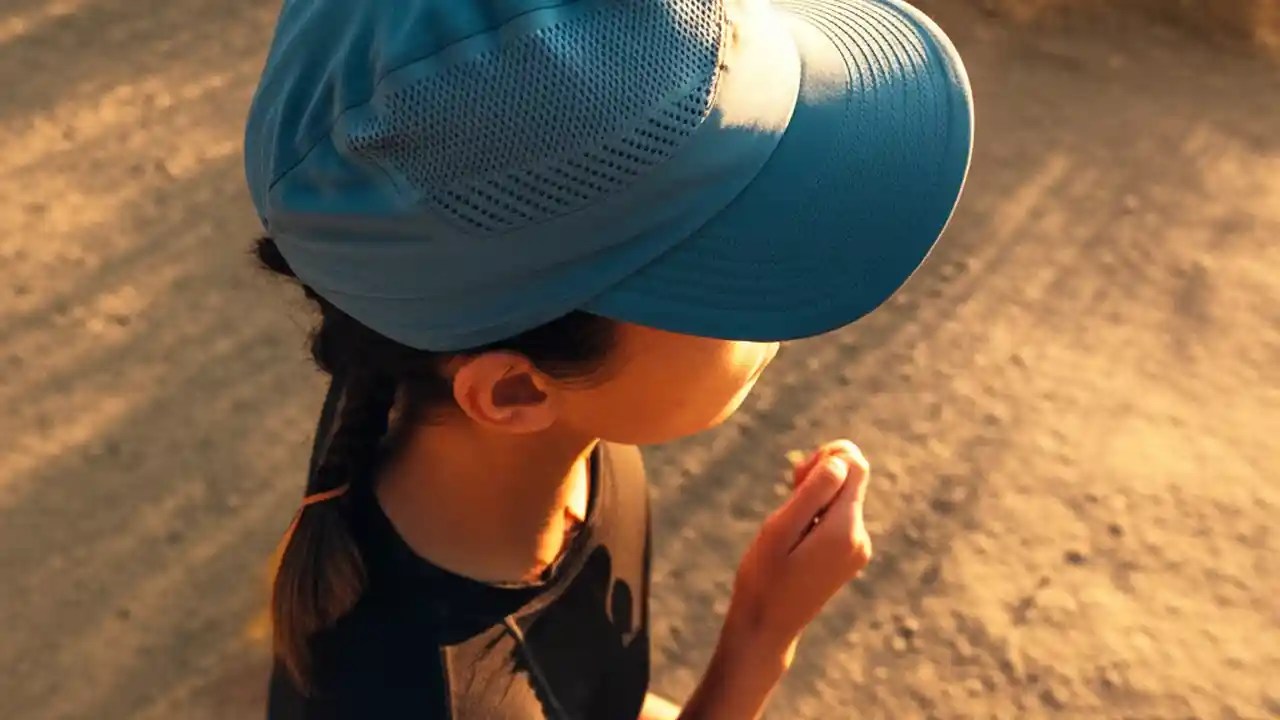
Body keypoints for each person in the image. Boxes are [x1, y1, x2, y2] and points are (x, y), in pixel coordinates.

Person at [244, 0, 972, 716]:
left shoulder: (452, 383)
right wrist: (761, 635)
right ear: (516, 393)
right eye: (730, 276)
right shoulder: (417, 695)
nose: (786, 289)